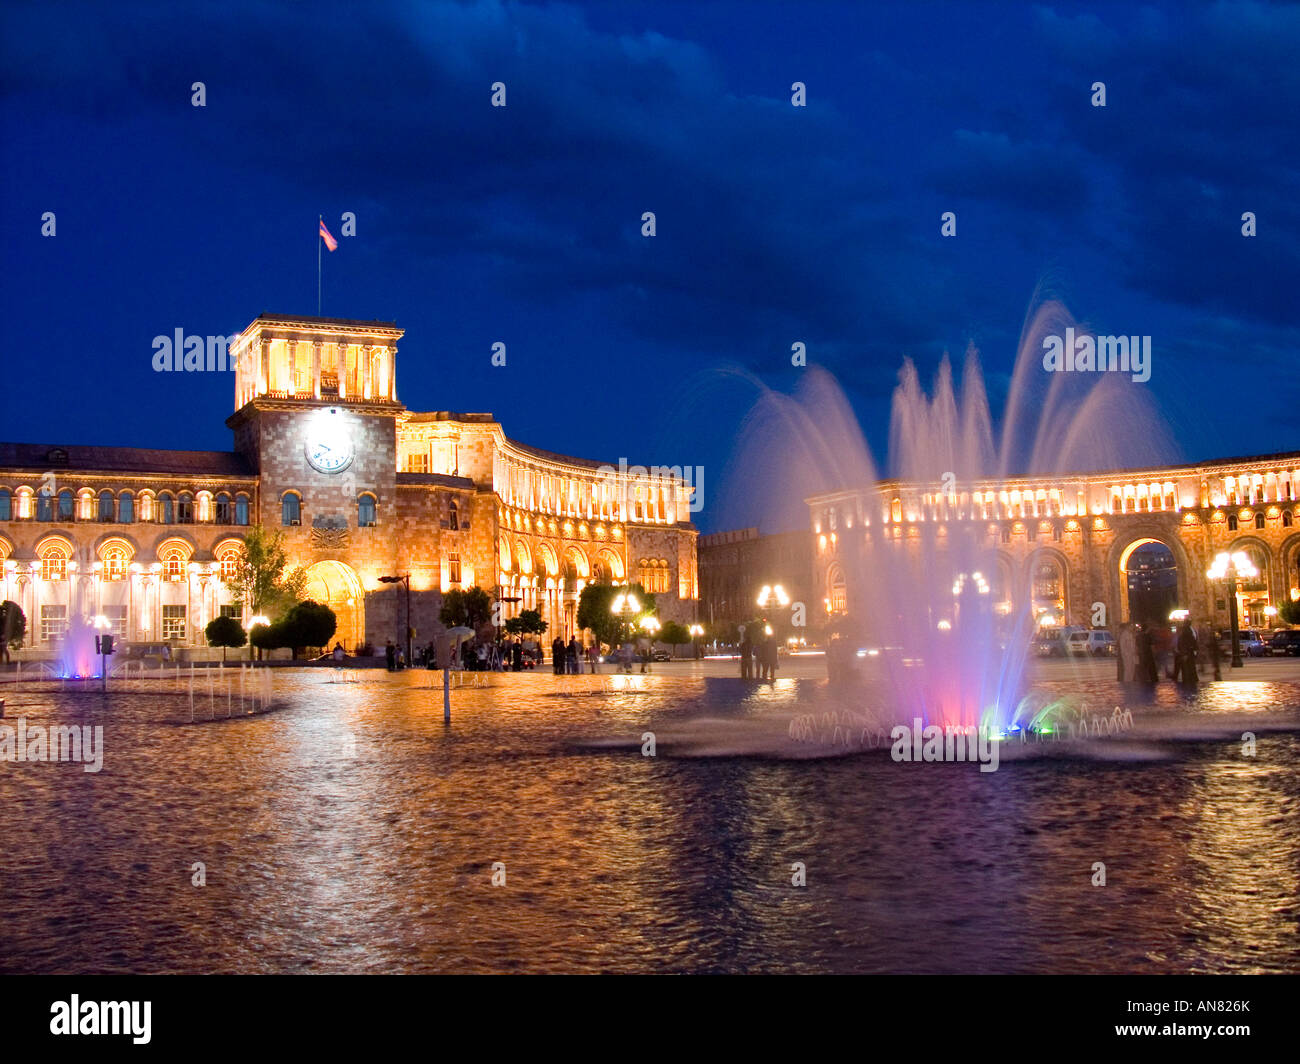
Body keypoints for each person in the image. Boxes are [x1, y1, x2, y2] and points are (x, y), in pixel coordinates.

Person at [1176, 618, 1199, 687]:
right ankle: (1190, 682)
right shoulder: (1187, 631)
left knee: (1187, 669)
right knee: (1189, 669)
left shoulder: (1184, 631)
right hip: (1188, 652)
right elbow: (1191, 642)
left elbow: (1181, 643)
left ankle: (1188, 682)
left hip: (1186, 652)